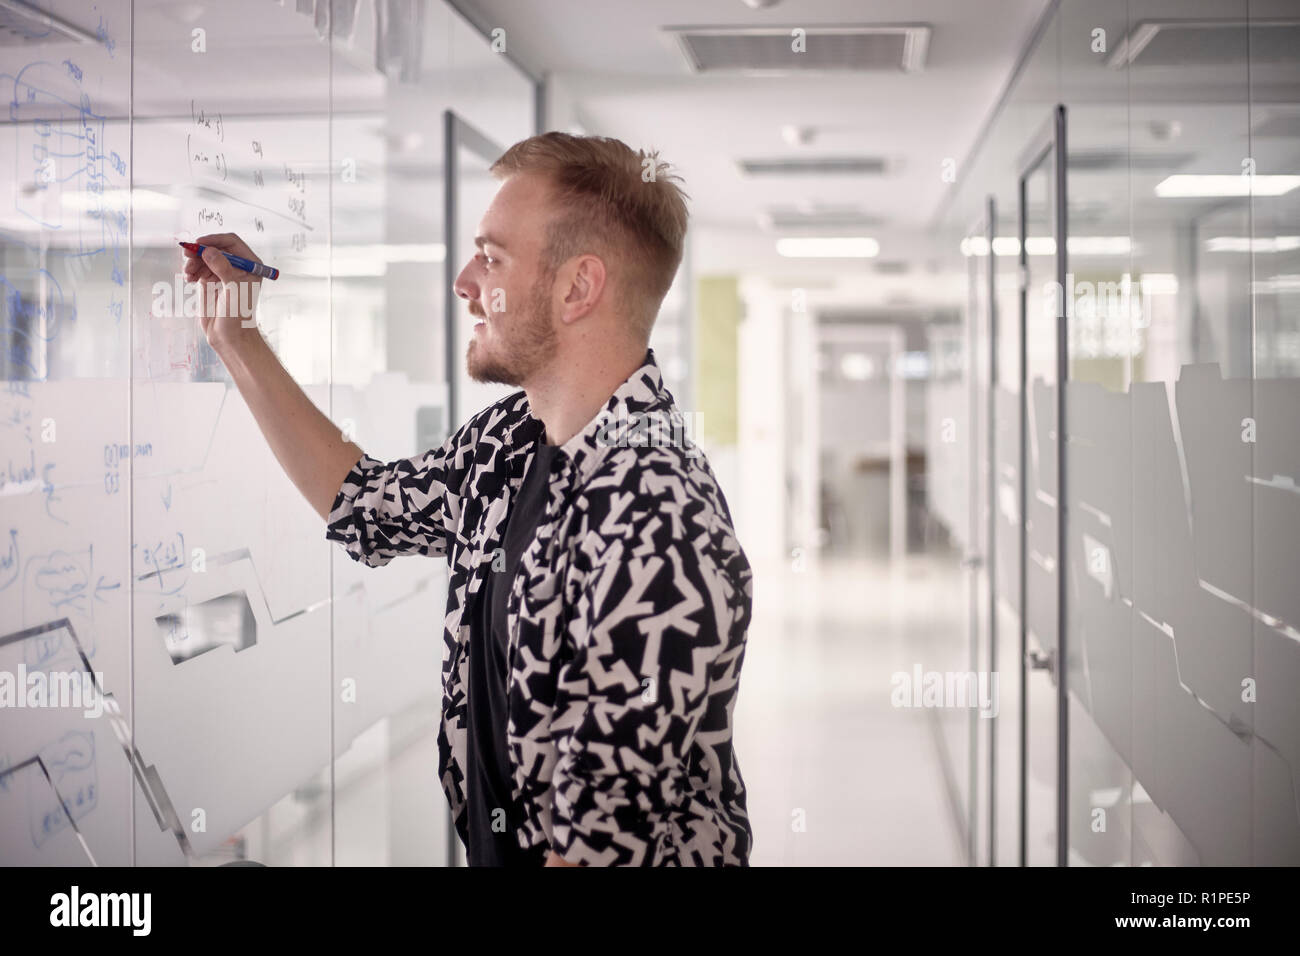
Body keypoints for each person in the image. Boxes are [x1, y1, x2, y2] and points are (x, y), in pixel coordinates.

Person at [185, 132, 753, 866]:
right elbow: (365, 504)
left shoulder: (657, 521)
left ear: (578, 288)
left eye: (492, 257)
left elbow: (595, 849)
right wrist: (235, 337)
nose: (463, 281)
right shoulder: (511, 441)